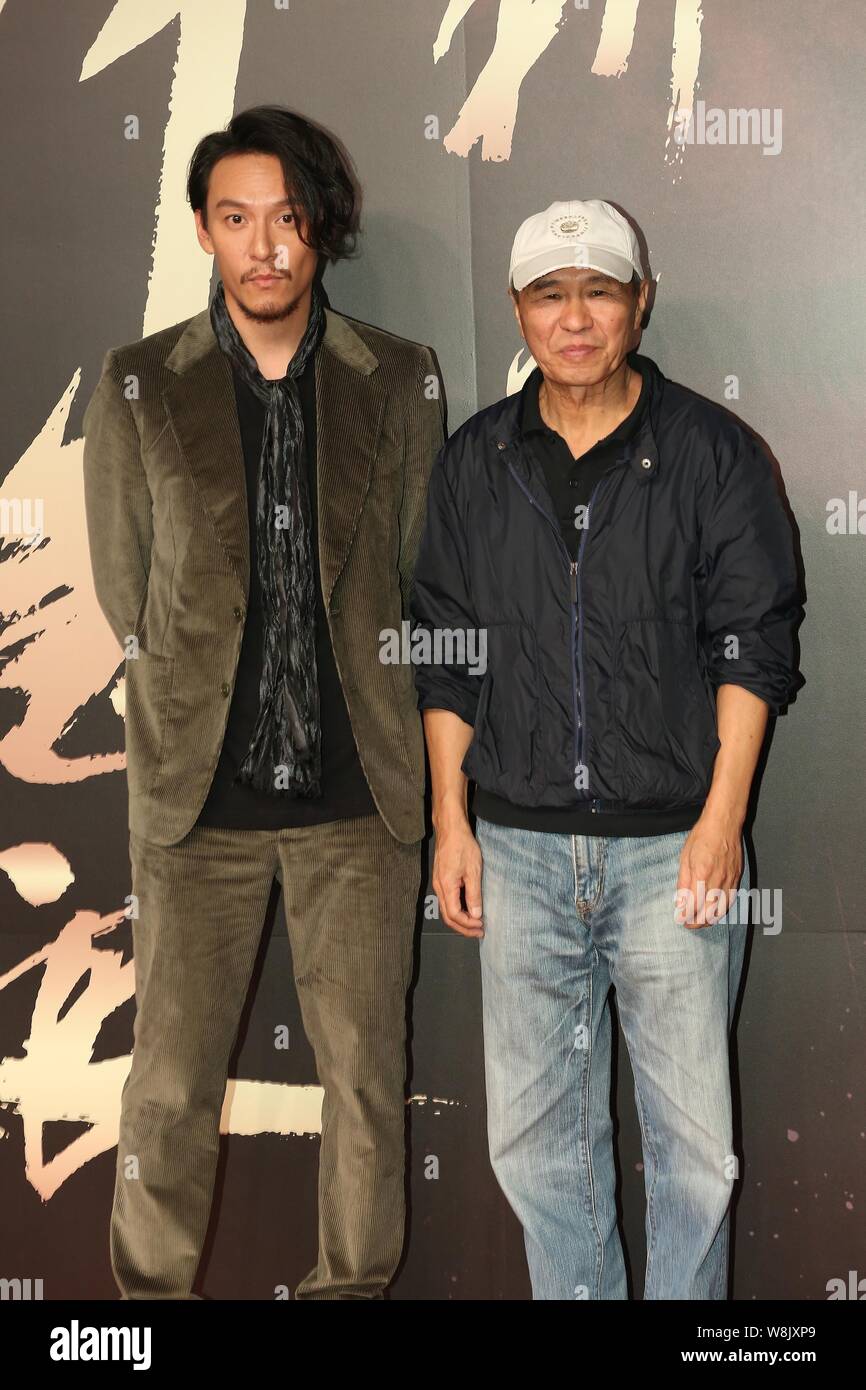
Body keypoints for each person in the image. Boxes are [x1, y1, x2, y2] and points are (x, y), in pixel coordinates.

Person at [410, 198, 804, 1299]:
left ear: (639, 301)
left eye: (597, 290)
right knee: (534, 1151)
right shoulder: (473, 463)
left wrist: (720, 825)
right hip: (518, 851)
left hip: (672, 850)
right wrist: (451, 821)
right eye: (548, 293)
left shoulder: (712, 455)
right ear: (517, 309)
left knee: (692, 1157)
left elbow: (752, 647)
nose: (572, 318)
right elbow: (445, 653)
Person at [82, 105, 444, 1300]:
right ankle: (143, 1311)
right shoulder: (138, 385)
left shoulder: (397, 377)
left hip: (360, 803)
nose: (264, 247)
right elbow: (129, 587)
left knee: (362, 1086)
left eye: (287, 219)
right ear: (202, 231)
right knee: (168, 1089)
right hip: (196, 807)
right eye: (236, 219)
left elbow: (414, 576)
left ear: (319, 231)